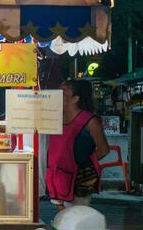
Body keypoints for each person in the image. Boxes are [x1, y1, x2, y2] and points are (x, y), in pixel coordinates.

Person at [45, 79, 111, 207]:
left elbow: (104, 150)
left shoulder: (90, 121)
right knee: (64, 218)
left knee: (76, 218)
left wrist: (82, 164)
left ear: (75, 99)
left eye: (63, 93)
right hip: (57, 177)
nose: (57, 96)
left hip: (80, 180)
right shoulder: (55, 117)